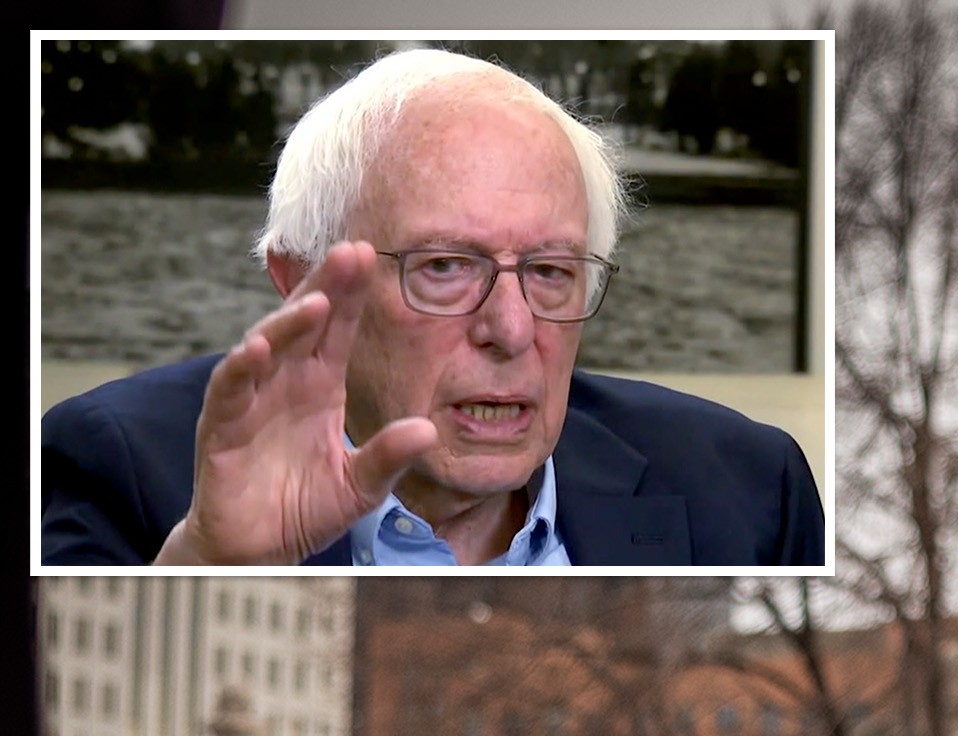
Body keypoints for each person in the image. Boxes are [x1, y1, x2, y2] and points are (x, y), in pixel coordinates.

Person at [41, 46, 823, 568]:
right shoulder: (115, 466)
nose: (512, 330)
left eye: (551, 271)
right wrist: (204, 567)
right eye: (446, 266)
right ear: (301, 284)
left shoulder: (752, 491)